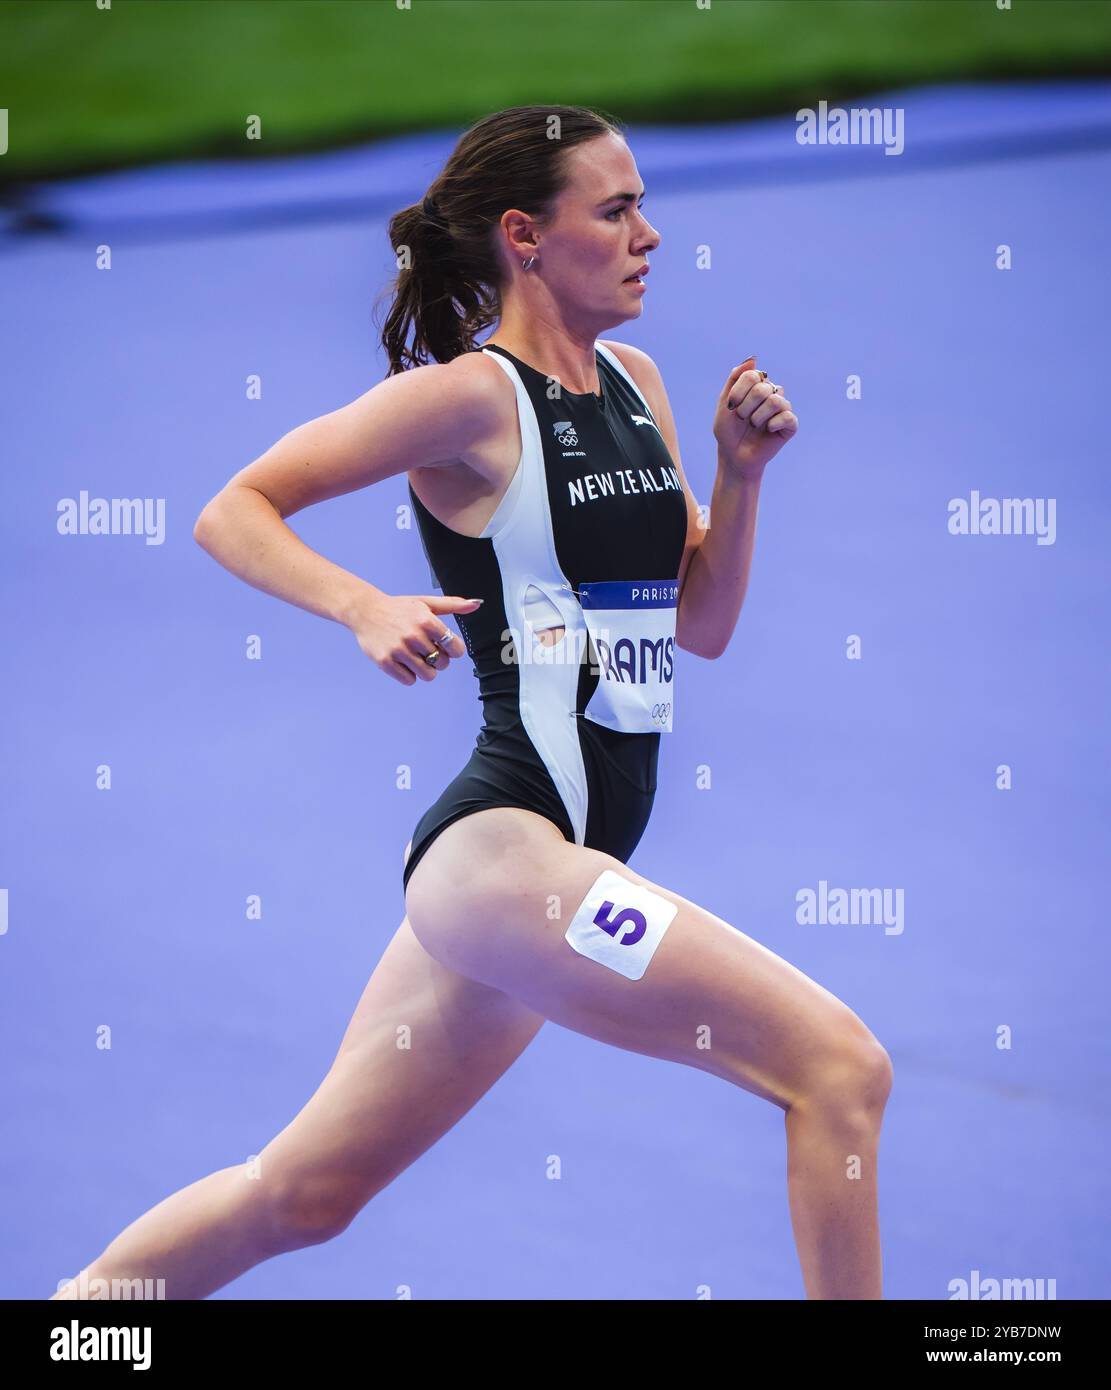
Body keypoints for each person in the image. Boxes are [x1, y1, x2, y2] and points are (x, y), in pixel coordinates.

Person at [51, 104, 890, 1302]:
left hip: (546, 881)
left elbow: (698, 627)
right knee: (838, 1066)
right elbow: (233, 506)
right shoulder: (463, 402)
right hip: (505, 860)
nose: (651, 233)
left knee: (304, 1194)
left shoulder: (637, 386)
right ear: (524, 237)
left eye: (643, 203)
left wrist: (737, 479)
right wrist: (358, 606)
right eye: (616, 209)